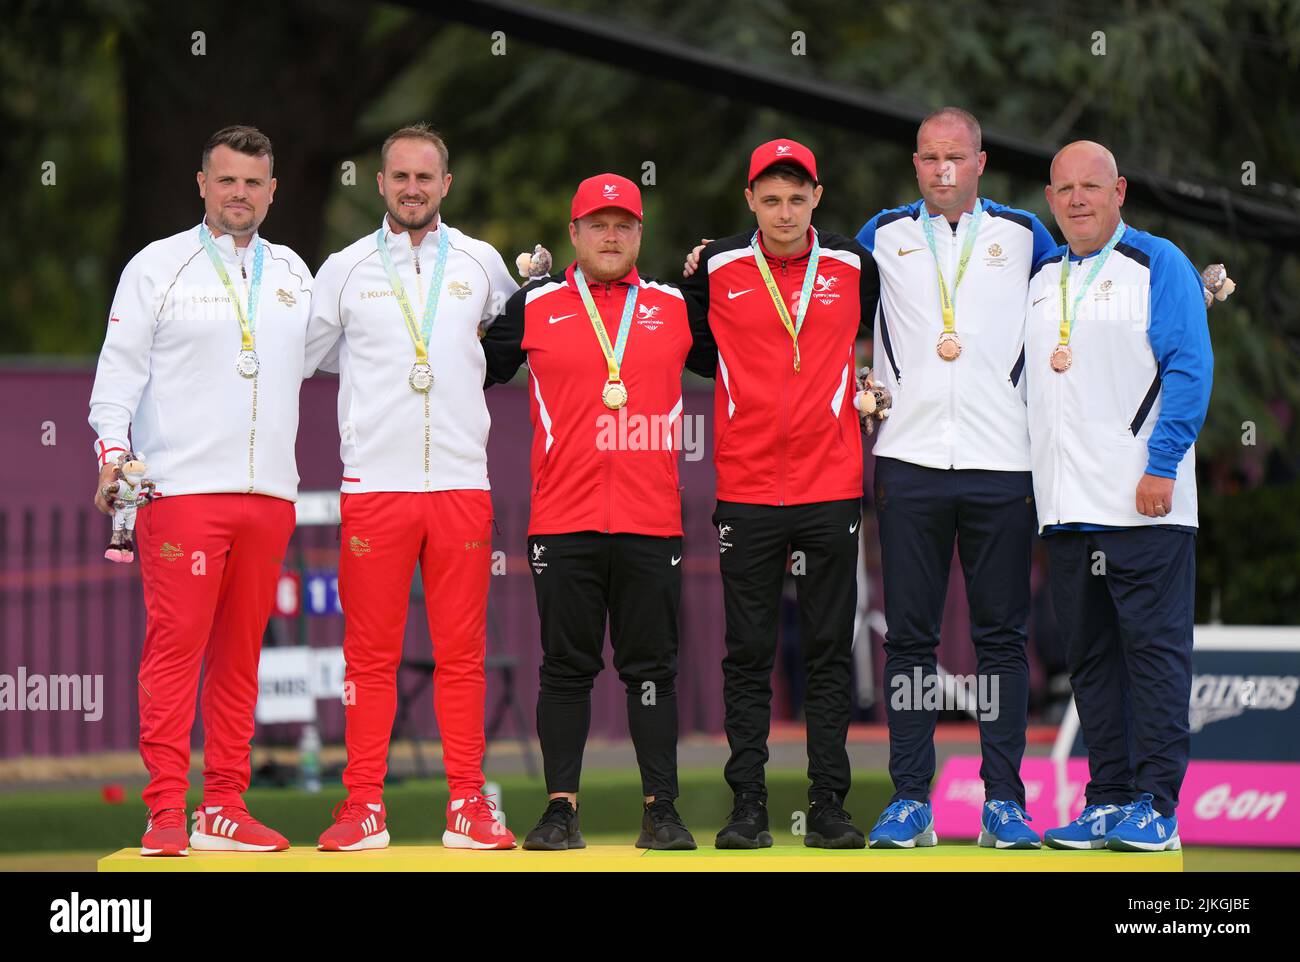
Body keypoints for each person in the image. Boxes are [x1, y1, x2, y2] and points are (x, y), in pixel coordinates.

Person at [89, 125, 312, 856]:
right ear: (202, 184)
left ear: (272, 191)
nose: (239, 194)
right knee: (176, 649)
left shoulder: (294, 273)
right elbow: (115, 376)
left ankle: (224, 804)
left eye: (253, 182)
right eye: (226, 180)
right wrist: (115, 455)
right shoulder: (157, 266)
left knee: (241, 655)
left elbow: (351, 351)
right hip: (180, 488)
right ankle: (163, 811)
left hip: (270, 493)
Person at [480, 173, 717, 851]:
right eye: (597, 224)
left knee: (652, 672)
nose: (610, 236)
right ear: (573, 233)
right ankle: (560, 811)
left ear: (639, 234)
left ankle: (661, 811)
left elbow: (742, 351)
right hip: (562, 520)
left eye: (623, 225)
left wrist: (716, 264)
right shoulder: (537, 307)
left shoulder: (674, 307)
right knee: (565, 668)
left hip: (651, 522)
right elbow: (469, 367)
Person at [303, 124, 520, 851]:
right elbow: (299, 357)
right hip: (375, 485)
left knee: (463, 654)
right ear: (381, 184)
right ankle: (363, 804)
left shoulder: (485, 264)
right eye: (400, 176)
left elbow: (520, 342)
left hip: (461, 480)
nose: (413, 188)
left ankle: (467, 803)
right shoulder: (344, 268)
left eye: (425, 177)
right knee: (369, 658)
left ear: (446, 185)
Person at [853, 107, 1057, 849]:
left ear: (981, 161)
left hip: (1002, 462)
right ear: (915, 164)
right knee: (909, 640)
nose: (943, 170)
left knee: (1001, 640)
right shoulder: (882, 236)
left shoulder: (1026, 235)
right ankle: (912, 799)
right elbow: (811, 278)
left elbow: (1076, 305)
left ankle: (1005, 801)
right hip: (907, 462)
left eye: (956, 157)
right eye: (930, 158)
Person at [680, 139, 881, 849]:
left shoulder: (856, 264)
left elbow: (878, 342)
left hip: (831, 484)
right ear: (750, 201)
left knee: (830, 650)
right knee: (749, 653)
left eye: (798, 197)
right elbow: (696, 352)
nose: (785, 211)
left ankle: (829, 805)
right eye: (771, 198)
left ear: (817, 197)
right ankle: (748, 808)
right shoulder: (717, 266)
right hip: (747, 486)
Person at [1029, 141, 1212, 852]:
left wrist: (1161, 463)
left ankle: (1157, 807)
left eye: (1091, 187)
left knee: (1154, 656)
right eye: (1065, 189)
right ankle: (1106, 798)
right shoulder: (1044, 275)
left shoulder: (1158, 262)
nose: (1078, 199)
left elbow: (1189, 368)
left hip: (1145, 504)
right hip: (1067, 507)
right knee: (1092, 661)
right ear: (1050, 200)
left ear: (1119, 192)